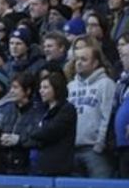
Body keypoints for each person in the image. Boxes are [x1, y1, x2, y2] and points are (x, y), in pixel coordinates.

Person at [67, 45, 115, 178]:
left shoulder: (106, 84)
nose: (79, 62)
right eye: (77, 59)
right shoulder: (70, 86)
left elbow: (107, 115)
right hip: (72, 150)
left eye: (84, 59)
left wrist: (100, 144)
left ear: (95, 63)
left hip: (95, 150)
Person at [24, 73, 77, 177]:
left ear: (56, 88)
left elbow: (49, 132)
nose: (41, 91)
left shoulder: (67, 109)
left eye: (45, 87)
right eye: (40, 88)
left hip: (56, 168)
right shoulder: (42, 110)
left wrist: (30, 133)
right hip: (37, 166)